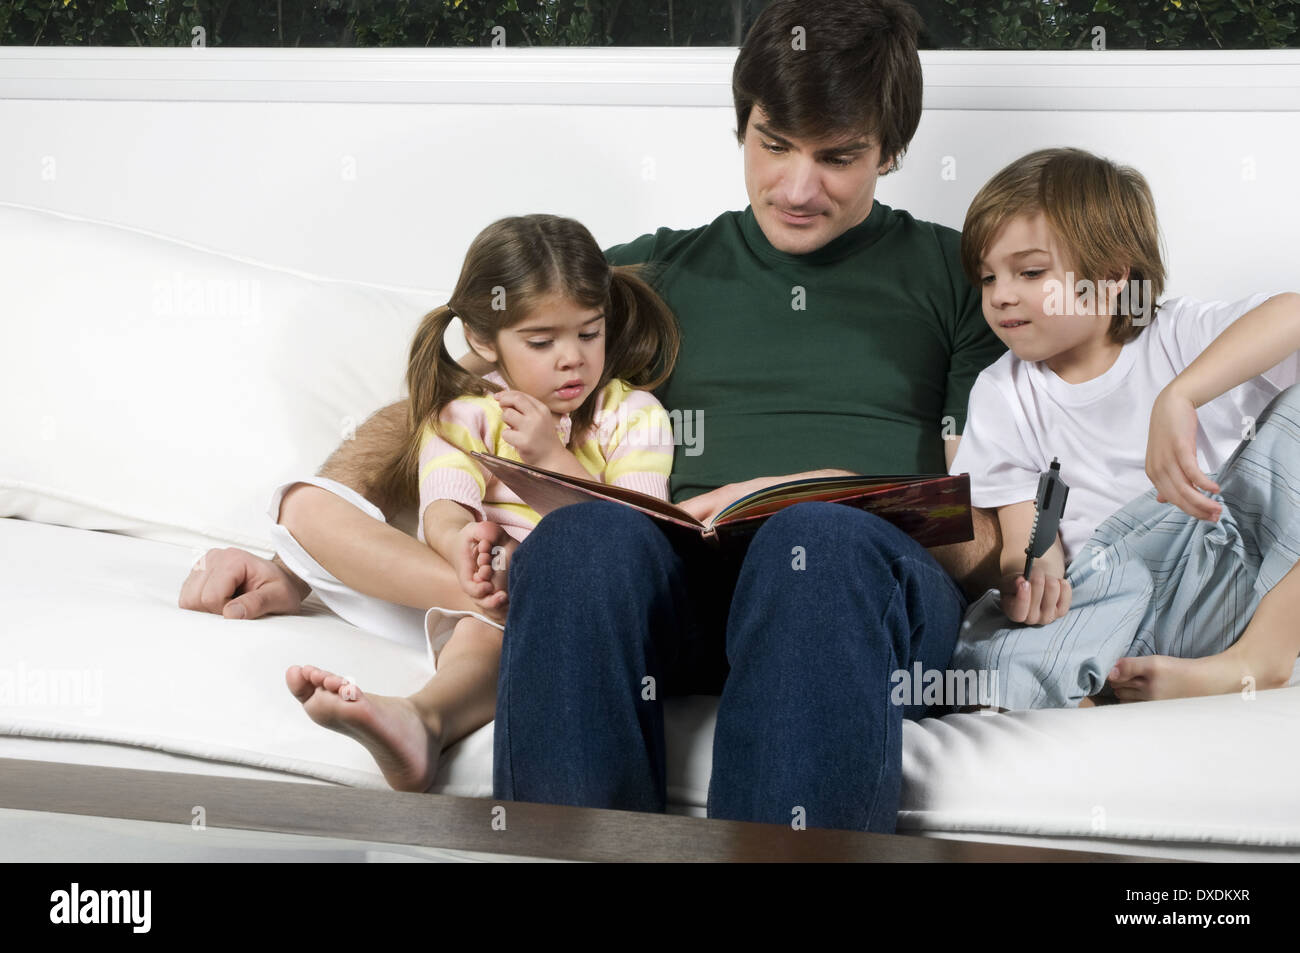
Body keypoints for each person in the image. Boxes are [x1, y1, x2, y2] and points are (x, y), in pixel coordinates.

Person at [180, 0, 1007, 833]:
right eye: (773, 145)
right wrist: (307, 548)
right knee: (579, 541)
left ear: (891, 151)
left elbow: (983, 539)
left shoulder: (956, 280)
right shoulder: (650, 274)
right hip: (677, 577)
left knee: (814, 541)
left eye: (838, 157)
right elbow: (459, 407)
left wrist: (821, 489)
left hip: (852, 587)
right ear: (740, 126)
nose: (796, 186)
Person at [284, 214, 679, 791]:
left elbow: (641, 538)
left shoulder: (633, 414)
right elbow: (443, 504)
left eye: (589, 334)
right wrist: (458, 541)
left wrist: (551, 459)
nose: (571, 359)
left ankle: (427, 714)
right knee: (308, 509)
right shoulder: (463, 415)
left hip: (584, 598)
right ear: (481, 340)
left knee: (485, 629)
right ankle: (419, 718)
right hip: (482, 584)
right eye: (542, 342)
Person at [950, 147, 1300, 710]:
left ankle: (1258, 658)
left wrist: (1180, 395)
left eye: (1031, 272)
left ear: (1112, 277)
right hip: (1108, 593)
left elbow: (1294, 313)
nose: (1001, 295)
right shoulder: (1001, 391)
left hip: (1221, 569)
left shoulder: (1178, 334)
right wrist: (1031, 579)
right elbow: (1028, 539)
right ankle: (1096, 690)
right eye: (988, 277)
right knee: (987, 664)